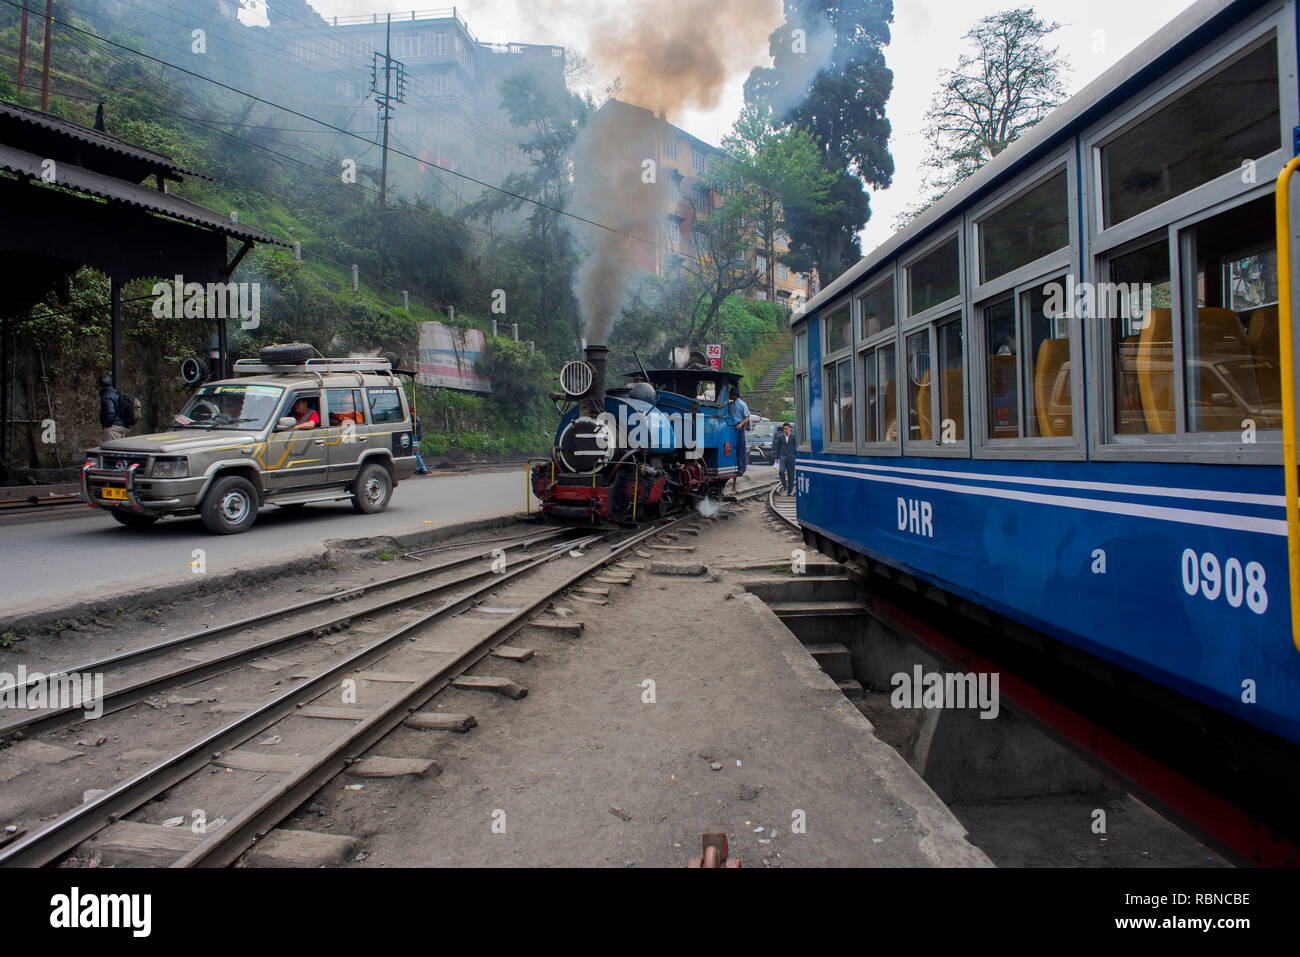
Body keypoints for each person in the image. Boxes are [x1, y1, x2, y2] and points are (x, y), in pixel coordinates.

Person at [729, 384, 751, 476]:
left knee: (741, 447)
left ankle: (742, 468)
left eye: (731, 394)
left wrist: (741, 424)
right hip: (732, 427)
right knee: (733, 447)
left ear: (734, 395)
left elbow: (747, 417)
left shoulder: (742, 404)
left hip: (739, 428)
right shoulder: (731, 404)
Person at [98, 375, 127, 444]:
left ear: (100, 385)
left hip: (113, 428)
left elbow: (110, 412)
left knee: (111, 448)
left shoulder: (107, 395)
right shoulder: (116, 393)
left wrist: (107, 426)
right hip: (122, 426)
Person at [772, 422, 798, 495]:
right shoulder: (780, 437)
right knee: (781, 471)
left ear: (790, 429)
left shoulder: (794, 436)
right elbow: (776, 447)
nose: (786, 430)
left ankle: (790, 491)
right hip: (782, 456)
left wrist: (796, 455)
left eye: (787, 429)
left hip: (791, 457)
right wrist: (776, 457)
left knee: (791, 475)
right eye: (784, 429)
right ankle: (784, 485)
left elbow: (796, 446)